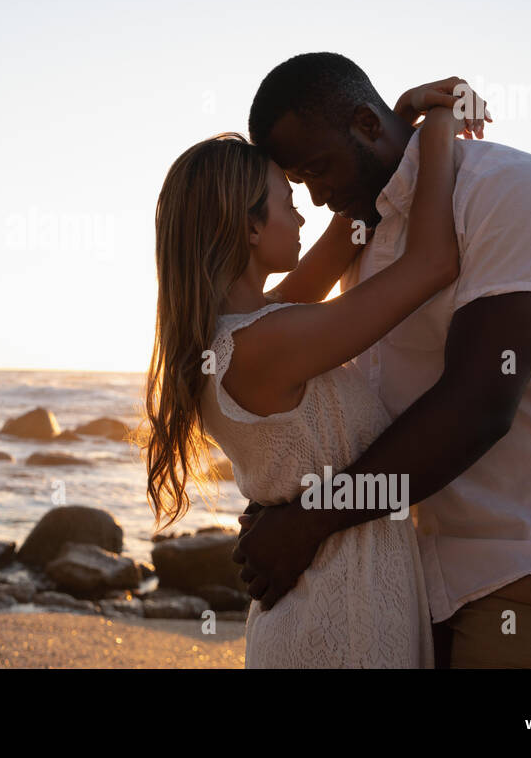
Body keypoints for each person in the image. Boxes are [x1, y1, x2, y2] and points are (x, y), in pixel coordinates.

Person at [234, 52, 531, 668]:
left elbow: (481, 401)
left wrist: (307, 521)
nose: (319, 197)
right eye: (299, 183)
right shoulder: (364, 232)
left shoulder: (512, 191)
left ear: (366, 123)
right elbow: (272, 344)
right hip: (425, 578)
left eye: (319, 169)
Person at [143, 85, 476, 666]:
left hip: (335, 609)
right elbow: (432, 263)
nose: (306, 210)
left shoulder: (249, 330)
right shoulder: (263, 344)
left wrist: (388, 132)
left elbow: (356, 223)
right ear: (249, 228)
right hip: (339, 624)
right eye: (286, 199)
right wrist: (440, 124)